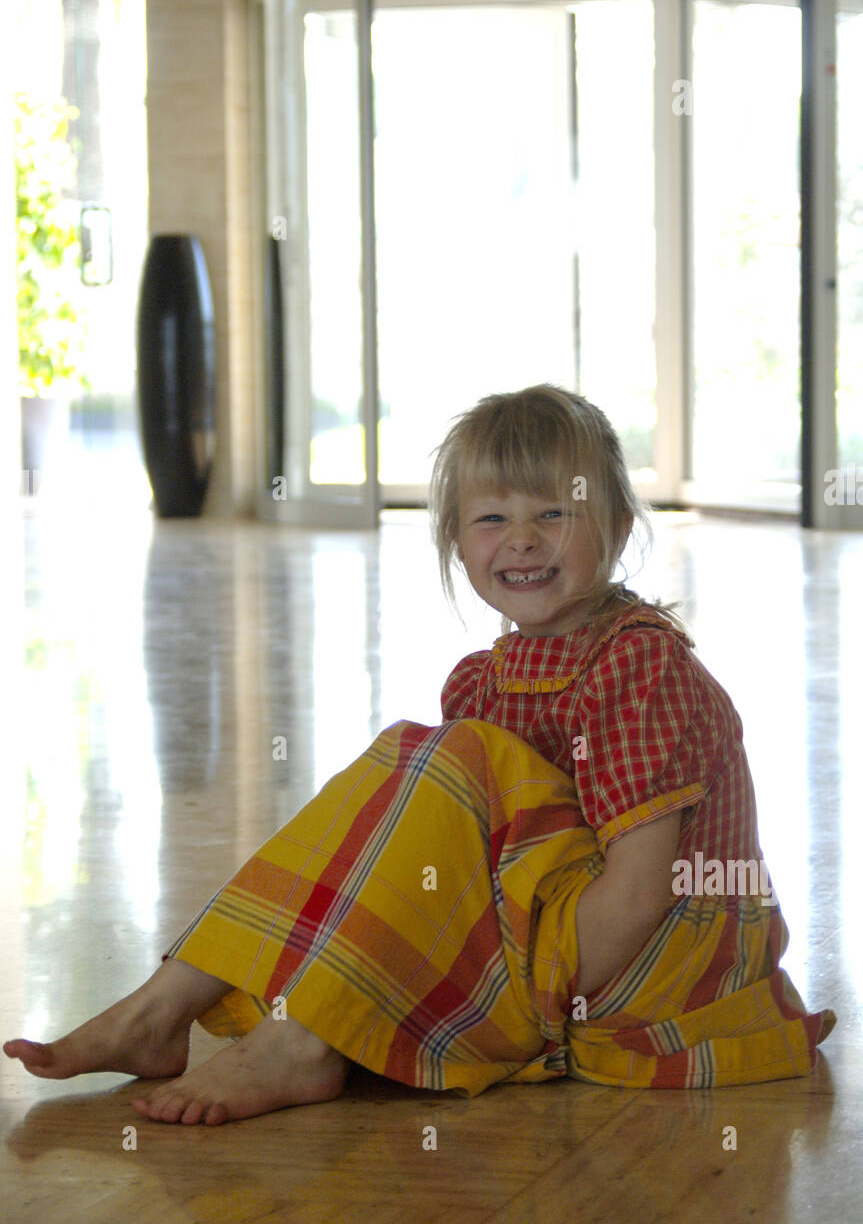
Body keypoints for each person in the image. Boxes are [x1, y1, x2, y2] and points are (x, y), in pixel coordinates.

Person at [4, 385, 835, 1125]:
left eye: (554, 513)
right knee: (416, 763)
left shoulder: (638, 665)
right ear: (453, 541)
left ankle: (302, 1041)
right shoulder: (478, 681)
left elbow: (641, 892)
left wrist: (530, 1009)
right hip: (554, 924)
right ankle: (167, 1003)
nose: (522, 541)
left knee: (443, 762)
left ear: (617, 527)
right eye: (491, 519)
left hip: (648, 959)